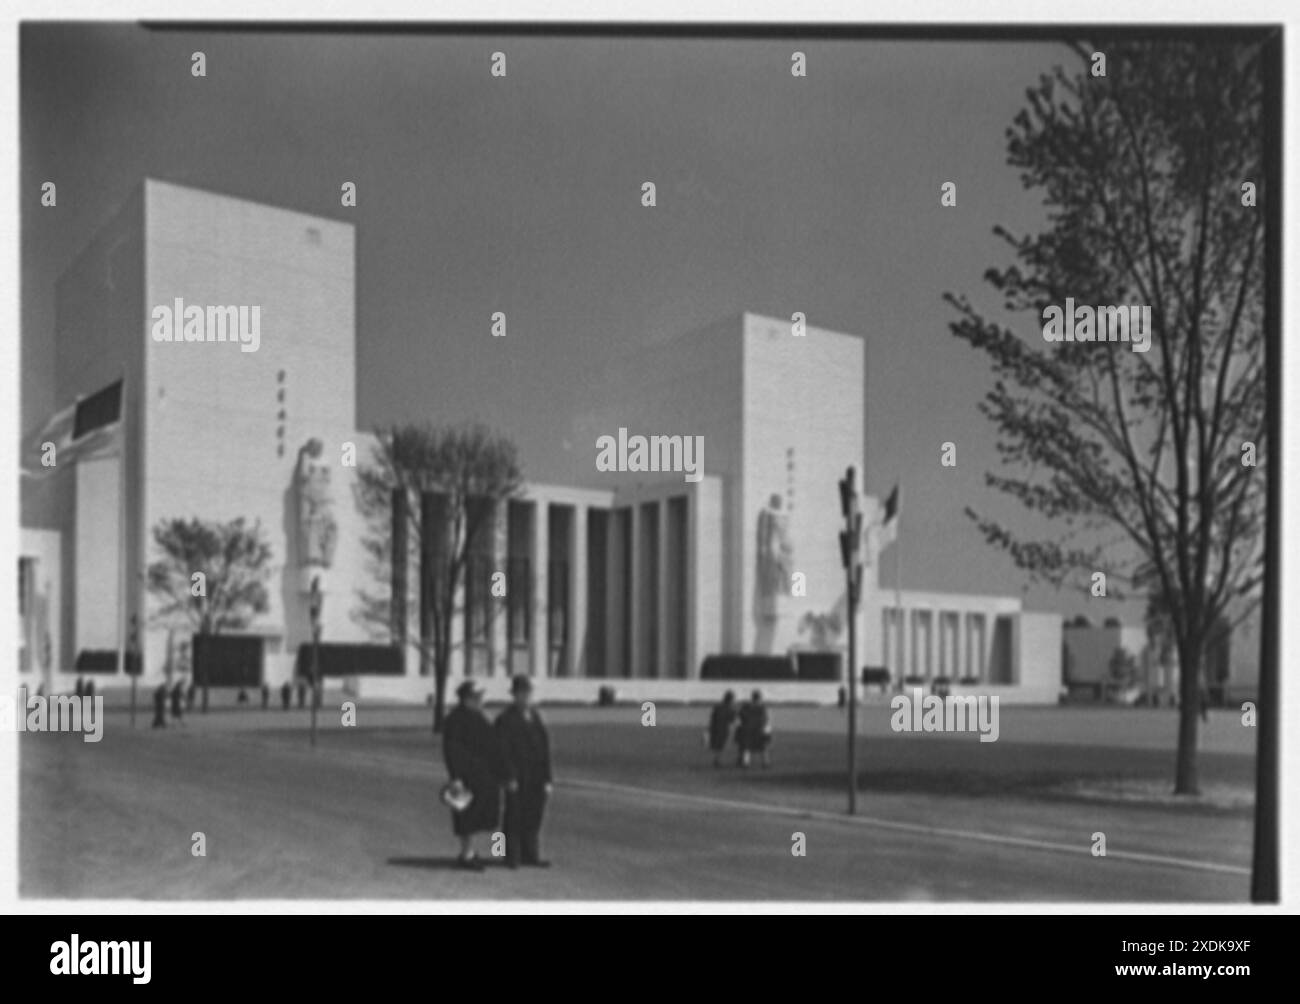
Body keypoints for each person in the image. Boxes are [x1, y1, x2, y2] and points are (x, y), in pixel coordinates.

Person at [442, 680, 503, 871]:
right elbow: (451, 750)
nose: (480, 700)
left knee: (481, 814)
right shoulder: (455, 719)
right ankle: (466, 855)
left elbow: (493, 741)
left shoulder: (479, 716)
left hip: (483, 774)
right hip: (466, 775)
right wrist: (456, 777)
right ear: (467, 698)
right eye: (477, 697)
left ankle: (476, 851)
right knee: (466, 815)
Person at [495, 675, 553, 868]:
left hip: (536, 775)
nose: (526, 697)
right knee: (513, 816)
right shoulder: (505, 719)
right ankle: (508, 854)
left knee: (534, 815)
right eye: (522, 693)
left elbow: (544, 750)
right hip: (517, 775)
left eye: (528, 693)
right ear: (515, 695)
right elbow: (502, 751)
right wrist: (508, 776)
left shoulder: (536, 718)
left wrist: (547, 779)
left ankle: (531, 854)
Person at [737, 690, 773, 768]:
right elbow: (766, 720)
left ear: (752, 697)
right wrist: (767, 731)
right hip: (759, 730)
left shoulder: (746, 707)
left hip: (747, 730)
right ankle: (765, 763)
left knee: (746, 747)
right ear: (759, 698)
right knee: (763, 748)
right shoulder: (762, 708)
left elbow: (740, 717)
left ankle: (746, 763)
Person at [708, 691, 738, 767]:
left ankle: (716, 760)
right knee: (721, 745)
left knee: (717, 745)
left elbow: (712, 717)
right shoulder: (730, 709)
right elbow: (733, 720)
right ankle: (717, 760)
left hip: (714, 727)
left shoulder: (717, 707)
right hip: (723, 729)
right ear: (731, 700)